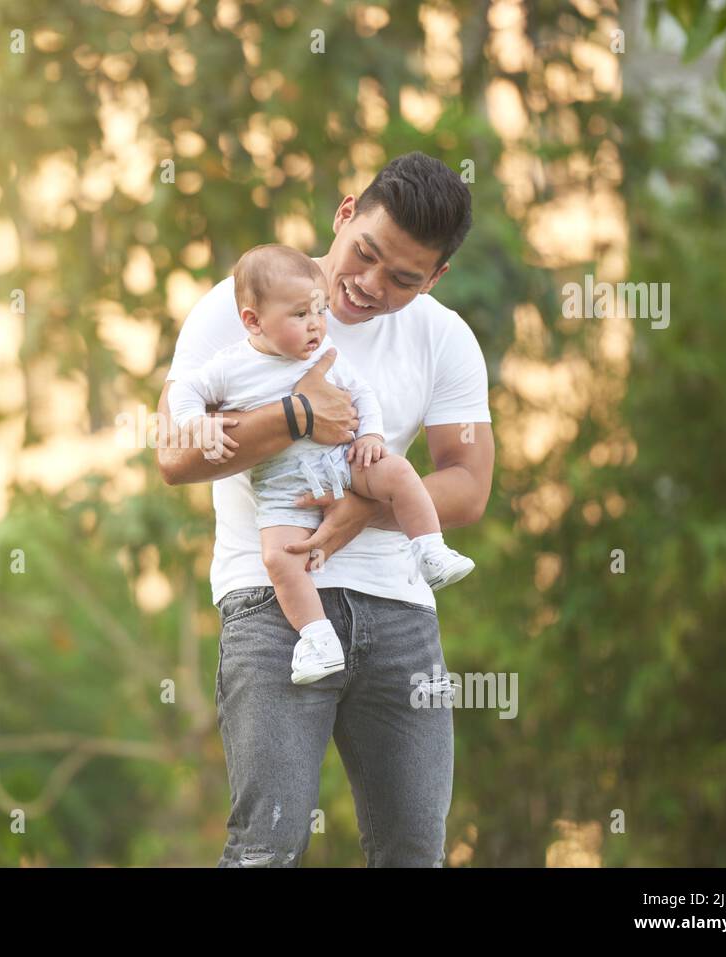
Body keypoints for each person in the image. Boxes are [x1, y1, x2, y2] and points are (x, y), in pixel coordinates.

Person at [156, 152, 494, 867]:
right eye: (364, 254)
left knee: (413, 851)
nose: (369, 286)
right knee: (267, 847)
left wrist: (361, 512)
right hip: (270, 601)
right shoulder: (238, 306)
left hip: (401, 613)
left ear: (434, 279)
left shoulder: (443, 336)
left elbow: (468, 481)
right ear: (344, 215)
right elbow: (174, 457)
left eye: (403, 279)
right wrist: (299, 414)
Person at [167, 243, 475, 686]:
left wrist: (370, 435)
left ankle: (429, 549)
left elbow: (362, 393)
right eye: (300, 315)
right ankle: (317, 638)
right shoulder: (231, 367)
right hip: (283, 486)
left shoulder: (324, 355)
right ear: (254, 321)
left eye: (319, 311)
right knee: (277, 558)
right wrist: (197, 424)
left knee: (399, 473)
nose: (316, 325)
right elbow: (183, 393)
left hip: (344, 461)